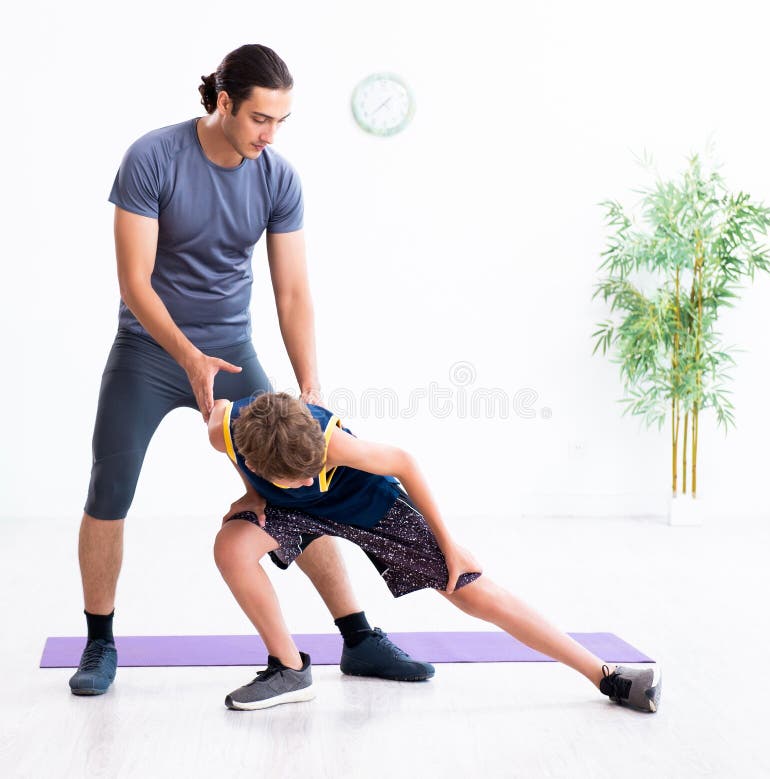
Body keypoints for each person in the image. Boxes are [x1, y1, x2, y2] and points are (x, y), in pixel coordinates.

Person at [70, 44, 433, 696]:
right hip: (148, 354)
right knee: (109, 488)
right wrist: (186, 356)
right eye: (261, 118)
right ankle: (99, 642)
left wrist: (310, 388)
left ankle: (359, 637)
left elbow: (292, 292)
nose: (270, 134)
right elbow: (135, 281)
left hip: (234, 353)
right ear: (224, 102)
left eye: (282, 121)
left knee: (302, 486)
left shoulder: (277, 177)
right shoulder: (153, 157)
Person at [207, 392, 663, 713]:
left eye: (313, 471)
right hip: (291, 513)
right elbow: (222, 424)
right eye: (297, 478)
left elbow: (404, 461)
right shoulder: (226, 431)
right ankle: (288, 668)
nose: (309, 480)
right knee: (231, 547)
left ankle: (604, 674)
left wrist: (449, 544)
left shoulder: (333, 443)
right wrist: (251, 492)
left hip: (369, 505)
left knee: (468, 591)